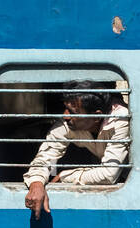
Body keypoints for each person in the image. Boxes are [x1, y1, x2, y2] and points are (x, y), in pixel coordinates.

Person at [23, 81, 130, 218]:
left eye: (72, 112)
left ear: (96, 116)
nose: (65, 116)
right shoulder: (68, 123)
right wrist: (36, 183)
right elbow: (46, 156)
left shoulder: (120, 119)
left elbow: (109, 174)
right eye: (66, 108)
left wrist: (64, 176)